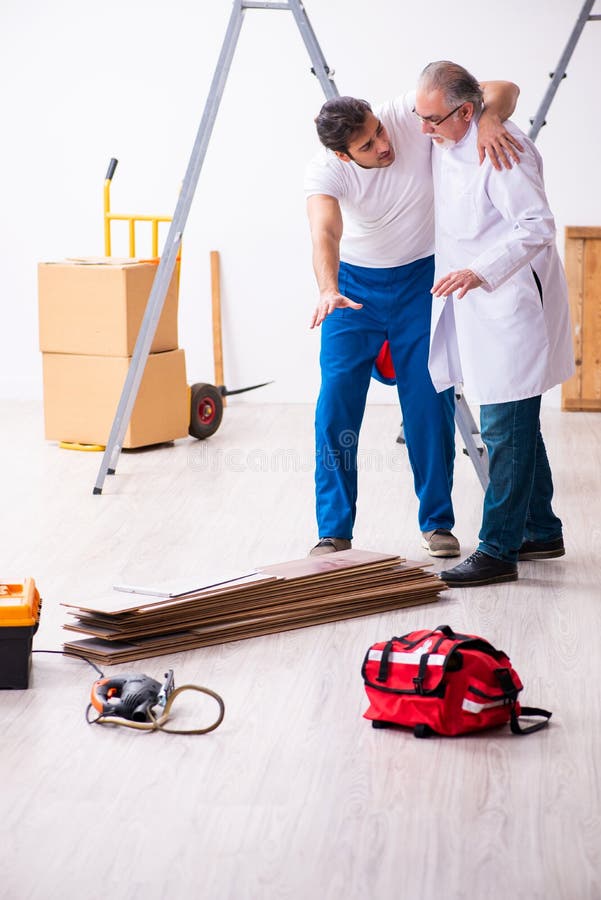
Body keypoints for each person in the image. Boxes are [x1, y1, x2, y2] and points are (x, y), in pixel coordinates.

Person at [304, 81, 522, 558]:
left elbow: (503, 87)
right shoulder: (326, 172)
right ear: (344, 156)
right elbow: (325, 231)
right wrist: (327, 289)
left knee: (430, 399)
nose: (384, 145)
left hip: (421, 281)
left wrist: (487, 117)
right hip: (352, 291)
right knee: (335, 408)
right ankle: (333, 531)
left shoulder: (404, 114)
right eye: (367, 145)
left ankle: (438, 523)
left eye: (378, 131)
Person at [414, 60, 575, 586]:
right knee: (515, 421)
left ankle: (499, 550)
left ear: (465, 112)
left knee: (505, 427)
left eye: (432, 119)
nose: (422, 130)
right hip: (474, 304)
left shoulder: (501, 151)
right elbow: (496, 91)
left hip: (508, 305)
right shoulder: (449, 137)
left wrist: (479, 272)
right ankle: (541, 528)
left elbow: (537, 226)